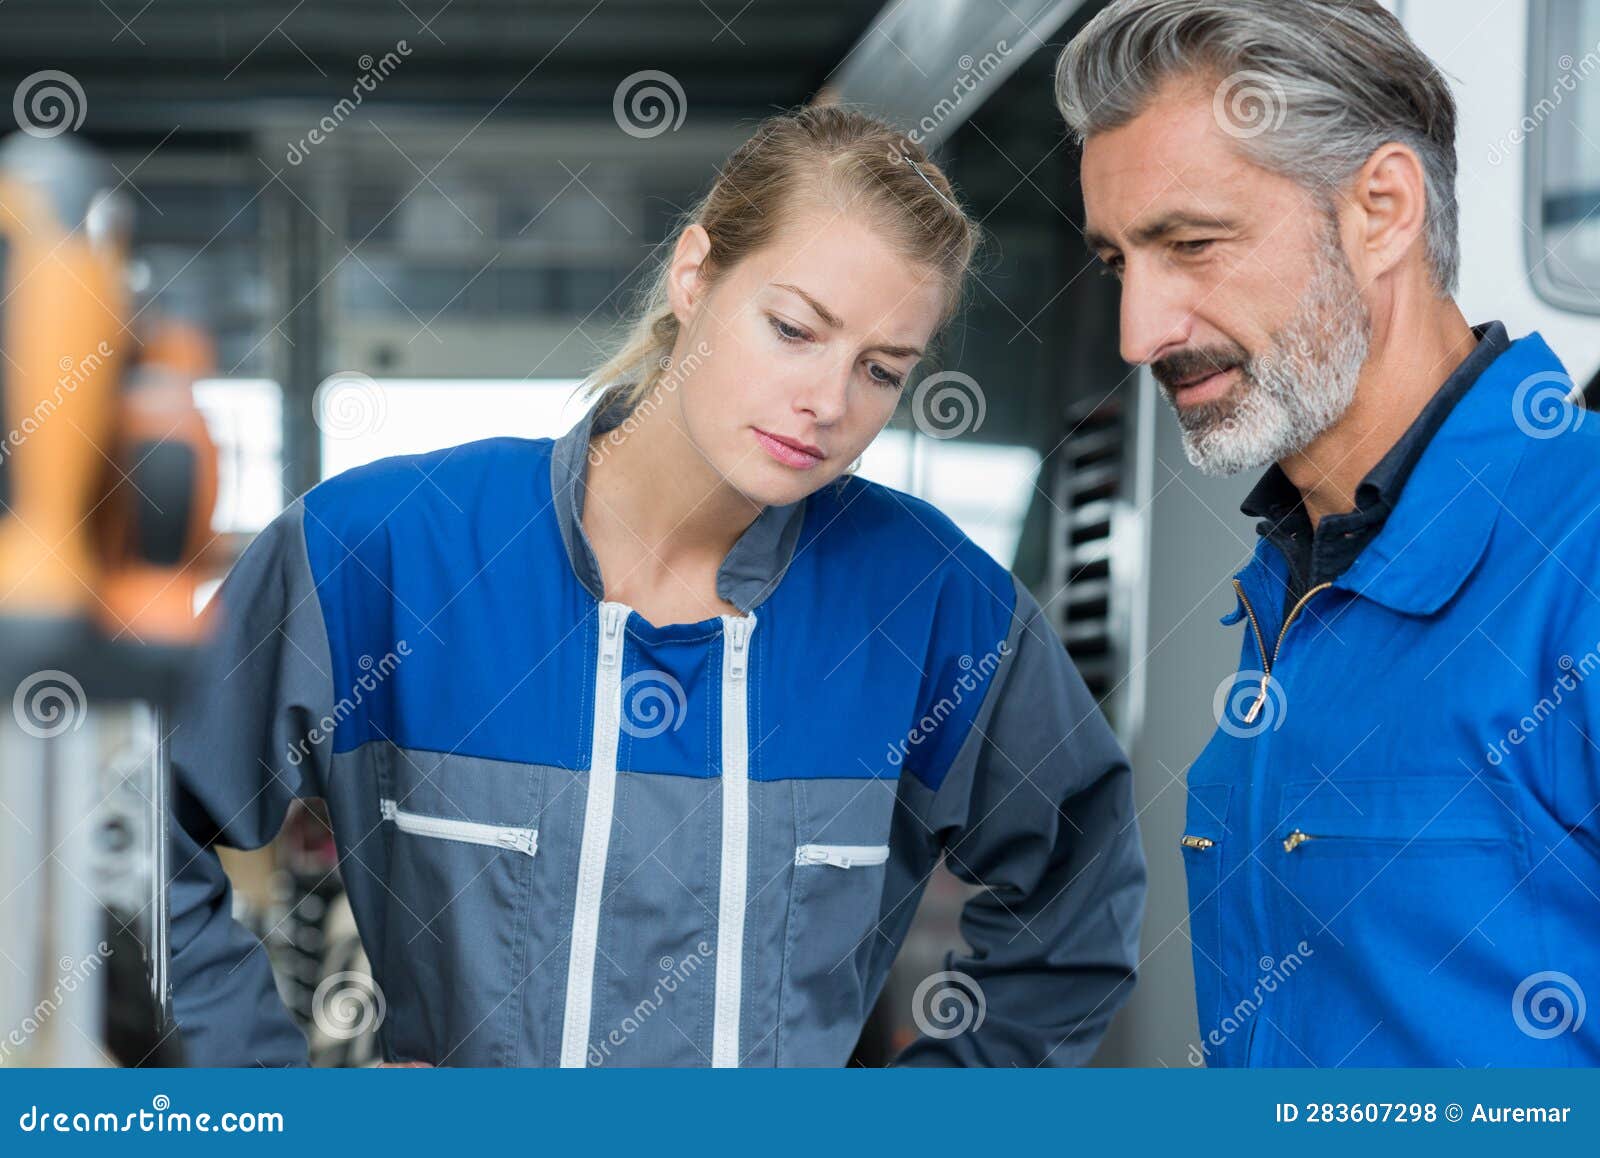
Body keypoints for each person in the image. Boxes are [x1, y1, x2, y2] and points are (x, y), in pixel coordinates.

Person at [166, 104, 1146, 1067]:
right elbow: (143, 837)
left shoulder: (933, 607)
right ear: (693, 275)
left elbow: (1078, 902)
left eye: (882, 371)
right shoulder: (382, 553)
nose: (827, 402)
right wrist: (281, 1111)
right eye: (793, 329)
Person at [1059, 0, 1600, 1066]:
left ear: (1382, 210)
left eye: (1192, 244)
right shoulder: (1293, 582)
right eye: (1120, 262)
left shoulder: (1577, 552)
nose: (1139, 332)